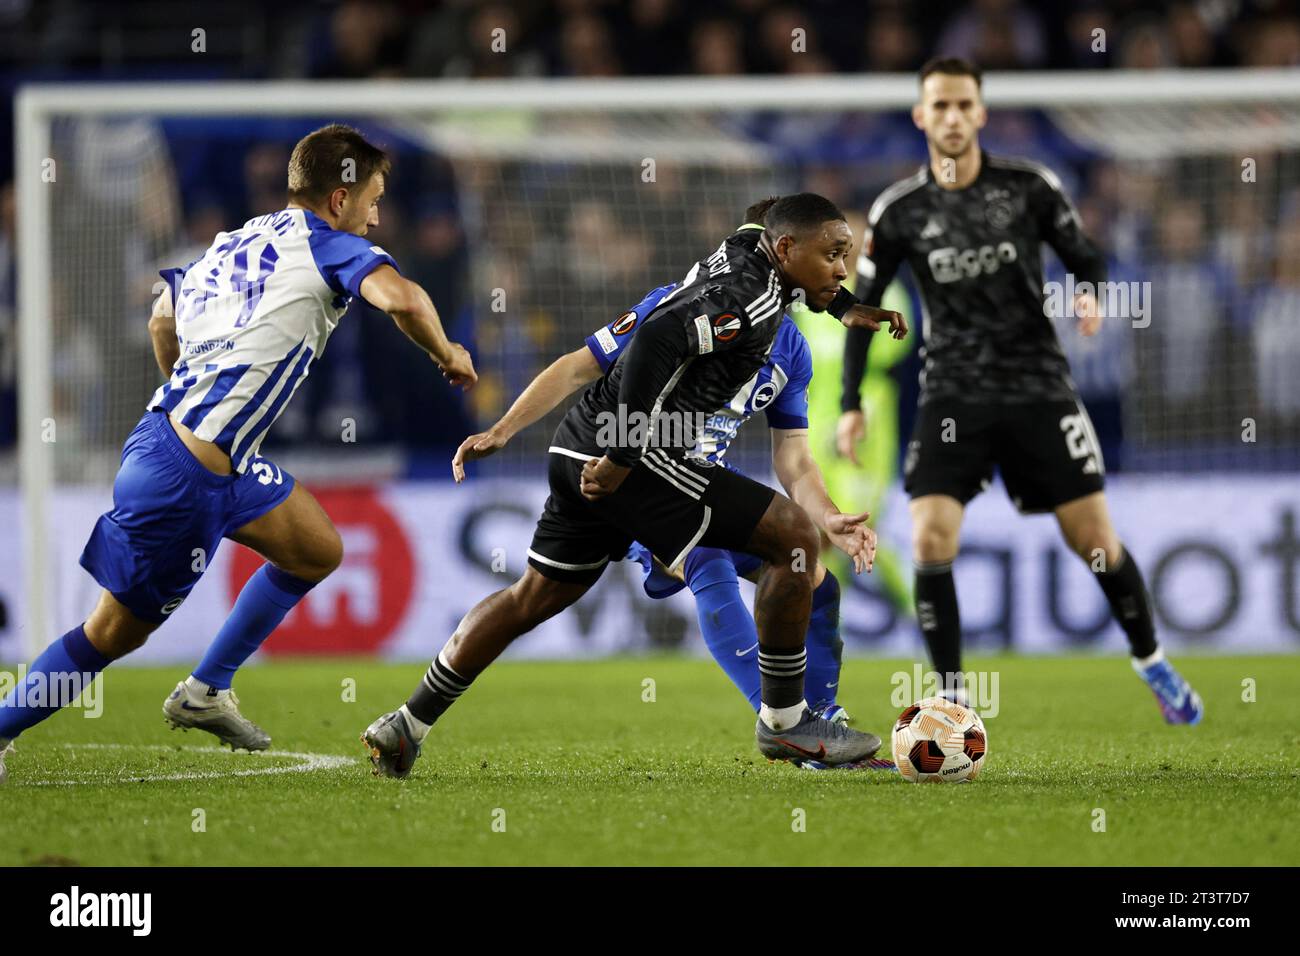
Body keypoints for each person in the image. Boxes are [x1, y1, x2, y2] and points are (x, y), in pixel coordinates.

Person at [362, 193, 908, 778]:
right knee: (778, 543)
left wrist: (829, 514)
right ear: (782, 247)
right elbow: (601, 357)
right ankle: (787, 725)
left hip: (602, 452)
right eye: (832, 254)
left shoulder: (785, 337)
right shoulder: (732, 301)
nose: (842, 269)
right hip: (635, 458)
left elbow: (793, 455)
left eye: (844, 255)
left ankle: (406, 724)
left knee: (535, 596)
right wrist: (520, 429)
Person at [0, 124, 476, 784]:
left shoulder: (236, 240)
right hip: (184, 479)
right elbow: (403, 297)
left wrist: (182, 392)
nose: (377, 212)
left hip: (199, 457)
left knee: (316, 548)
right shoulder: (331, 248)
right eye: (372, 197)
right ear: (338, 199)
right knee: (110, 634)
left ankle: (206, 689)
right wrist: (447, 353)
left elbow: (162, 317)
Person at [834, 57, 1202, 723]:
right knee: (928, 538)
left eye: (962, 105)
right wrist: (850, 402)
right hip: (953, 393)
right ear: (921, 117)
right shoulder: (899, 211)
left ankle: (1151, 660)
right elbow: (863, 307)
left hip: (1038, 387)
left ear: (980, 113)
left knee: (1094, 539)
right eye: (938, 106)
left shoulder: (1029, 187)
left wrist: (1091, 292)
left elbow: (1085, 255)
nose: (950, 117)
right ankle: (952, 697)